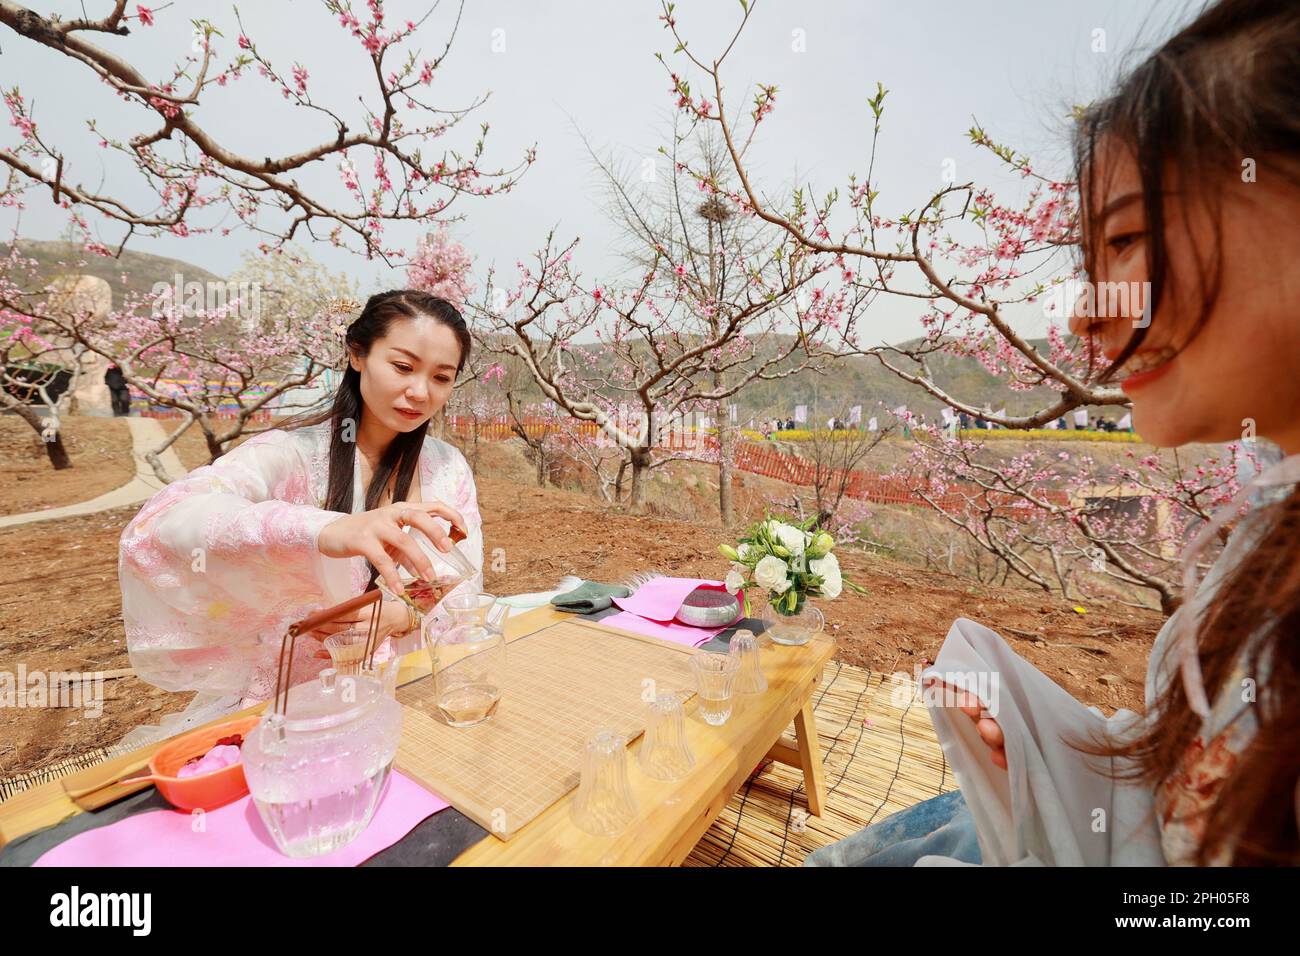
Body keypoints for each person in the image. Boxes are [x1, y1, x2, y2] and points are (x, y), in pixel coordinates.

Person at [807, 0, 1300, 867]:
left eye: (1130, 237)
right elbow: (1186, 780)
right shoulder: (1268, 515)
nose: (1086, 312)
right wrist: (1049, 749)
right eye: (1089, 259)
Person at [118, 291, 484, 740]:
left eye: (441, 377)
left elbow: (467, 584)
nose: (420, 392)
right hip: (297, 703)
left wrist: (404, 615)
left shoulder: (447, 467)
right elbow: (166, 521)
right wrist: (323, 528)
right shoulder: (288, 454)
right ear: (357, 354)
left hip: (416, 687)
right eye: (403, 367)